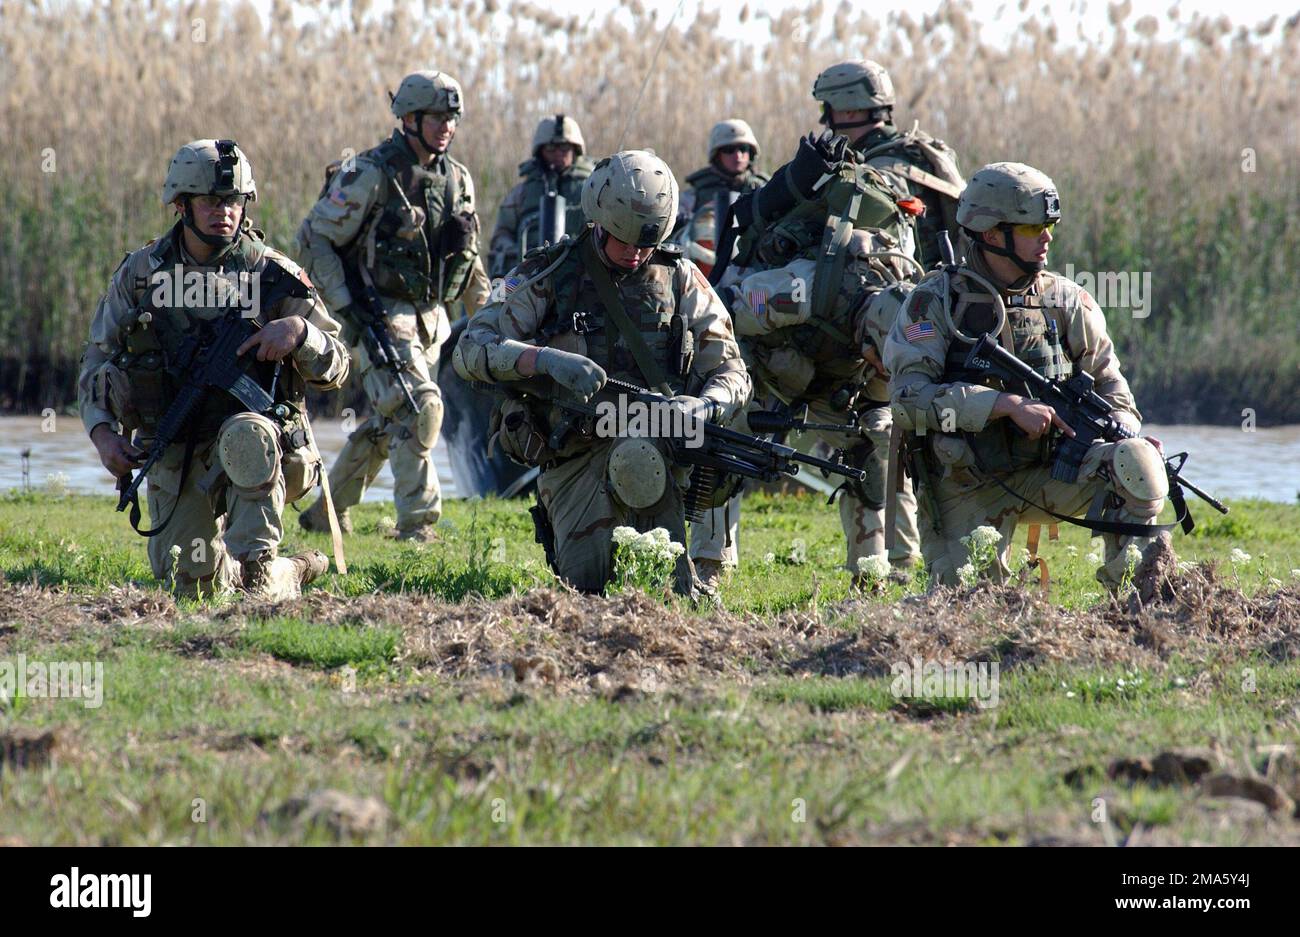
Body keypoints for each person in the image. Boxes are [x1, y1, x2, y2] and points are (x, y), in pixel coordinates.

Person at [453, 150, 751, 596]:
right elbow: (471, 349)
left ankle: (686, 575)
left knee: (665, 591)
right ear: (597, 220)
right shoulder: (548, 274)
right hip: (575, 452)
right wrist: (543, 360)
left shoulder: (680, 278)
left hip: (660, 449)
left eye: (645, 244)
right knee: (585, 590)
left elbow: (731, 369)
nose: (634, 254)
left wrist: (706, 404)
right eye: (623, 240)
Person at [78, 139, 350, 598]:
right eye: (209, 200)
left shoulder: (273, 273)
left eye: (233, 200)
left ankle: (263, 567)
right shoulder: (142, 274)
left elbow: (339, 365)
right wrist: (102, 434)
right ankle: (298, 568)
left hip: (262, 446)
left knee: (254, 586)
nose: (224, 211)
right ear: (181, 206)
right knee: (194, 584)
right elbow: (97, 358)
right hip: (177, 445)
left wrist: (301, 334)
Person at [884, 162, 1167, 588]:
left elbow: (1109, 380)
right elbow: (907, 400)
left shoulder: (1066, 300)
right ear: (993, 234)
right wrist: (1003, 405)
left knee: (1138, 462)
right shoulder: (933, 303)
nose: (1048, 237)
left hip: (1053, 470)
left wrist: (1126, 428)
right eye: (1034, 228)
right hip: (966, 482)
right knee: (967, 607)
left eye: (1050, 225)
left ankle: (1135, 604)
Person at [294, 70, 491, 541]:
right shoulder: (369, 173)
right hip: (380, 316)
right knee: (421, 408)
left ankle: (326, 512)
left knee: (391, 423)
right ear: (408, 118)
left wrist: (487, 315)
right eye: (436, 117)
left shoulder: (458, 179)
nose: (446, 126)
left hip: (433, 323)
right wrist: (345, 308)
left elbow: (470, 259)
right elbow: (313, 238)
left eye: (452, 118)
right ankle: (418, 526)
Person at [812, 59, 965, 269]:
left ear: (849, 111)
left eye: (825, 108)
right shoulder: (923, 152)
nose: (824, 121)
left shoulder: (872, 172)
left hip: (916, 291)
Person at [488, 114, 595, 279]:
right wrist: (520, 254)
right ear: (540, 151)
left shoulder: (593, 189)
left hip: (580, 276)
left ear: (575, 150)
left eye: (565, 148)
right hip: (529, 277)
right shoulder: (522, 193)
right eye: (551, 149)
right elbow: (502, 235)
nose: (558, 154)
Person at [673, 119, 769, 277]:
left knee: (759, 299)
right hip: (706, 274)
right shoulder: (695, 194)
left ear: (751, 153)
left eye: (743, 149)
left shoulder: (765, 189)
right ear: (717, 154)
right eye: (729, 149)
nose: (737, 155)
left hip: (755, 272)